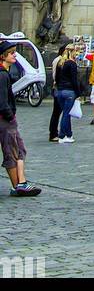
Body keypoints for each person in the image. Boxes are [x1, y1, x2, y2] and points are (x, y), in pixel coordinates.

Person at [0, 40, 41, 196]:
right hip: (5, 119)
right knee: (11, 150)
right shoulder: (2, 75)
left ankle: (21, 183)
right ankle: (18, 185)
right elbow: (2, 101)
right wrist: (10, 116)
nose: (15, 55)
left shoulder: (5, 73)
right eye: (11, 53)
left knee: (19, 148)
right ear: (2, 57)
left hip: (7, 118)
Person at [55, 41, 81, 143]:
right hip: (69, 91)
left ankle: (69, 134)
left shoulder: (60, 62)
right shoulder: (72, 64)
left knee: (67, 113)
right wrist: (78, 93)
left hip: (60, 91)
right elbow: (75, 80)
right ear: (73, 52)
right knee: (66, 114)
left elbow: (56, 78)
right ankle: (61, 135)